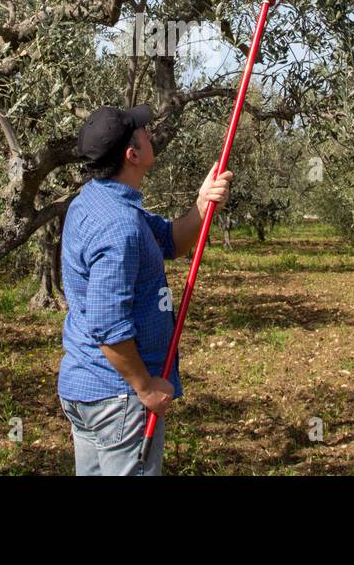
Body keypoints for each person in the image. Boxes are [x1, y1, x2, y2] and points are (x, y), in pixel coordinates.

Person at [57, 103, 232, 475]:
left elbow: (170, 241)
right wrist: (145, 386)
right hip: (116, 397)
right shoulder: (118, 227)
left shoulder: (96, 202)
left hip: (86, 388)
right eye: (142, 131)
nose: (150, 133)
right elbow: (108, 325)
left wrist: (203, 203)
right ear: (132, 154)